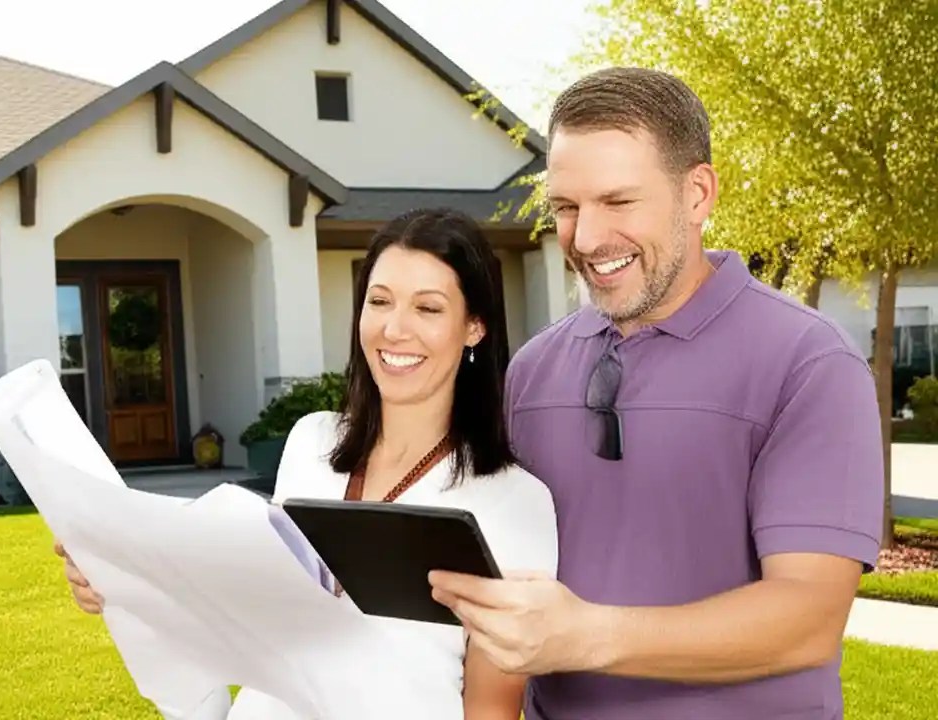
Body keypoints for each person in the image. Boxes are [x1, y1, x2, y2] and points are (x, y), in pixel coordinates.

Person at [428, 67, 885, 719]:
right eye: (566, 207)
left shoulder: (808, 362)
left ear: (697, 194)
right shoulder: (530, 372)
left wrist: (587, 637)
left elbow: (808, 618)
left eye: (618, 202)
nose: (585, 239)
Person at [55, 207, 560, 718]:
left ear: (474, 327)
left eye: (428, 308)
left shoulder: (513, 501)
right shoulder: (311, 443)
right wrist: (120, 577)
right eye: (378, 301)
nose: (394, 328)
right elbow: (238, 611)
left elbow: (490, 710)